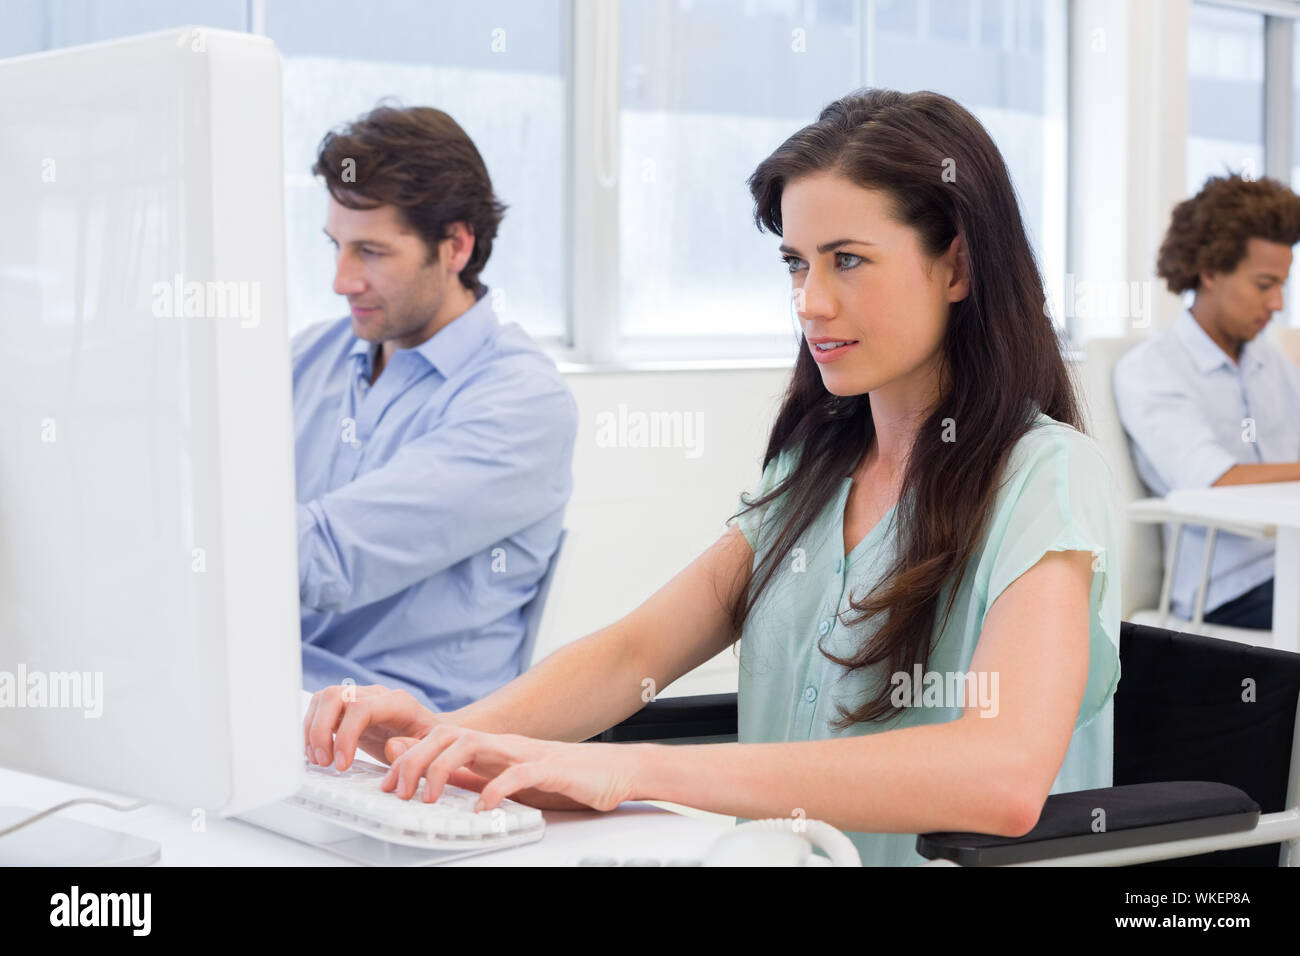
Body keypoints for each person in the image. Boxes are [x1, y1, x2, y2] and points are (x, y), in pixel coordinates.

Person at [302, 88, 1123, 866]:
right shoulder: (817, 467)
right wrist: (452, 734)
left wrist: (644, 771)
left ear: (957, 268)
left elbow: (1003, 773)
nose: (810, 302)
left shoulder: (1044, 475)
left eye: (848, 261)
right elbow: (637, 655)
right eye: (796, 263)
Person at [292, 104, 578, 711]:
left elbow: (326, 559)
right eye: (336, 247)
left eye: (370, 252)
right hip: (281, 700)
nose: (341, 281)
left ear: (455, 245)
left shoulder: (520, 403)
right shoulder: (311, 356)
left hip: (407, 744)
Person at [1114, 174, 1300, 630]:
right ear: (1211, 272)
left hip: (1289, 565)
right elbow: (1216, 481)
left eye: (1283, 284)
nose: (1278, 303)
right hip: (1229, 589)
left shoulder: (1268, 361)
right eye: (1264, 284)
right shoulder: (1152, 369)